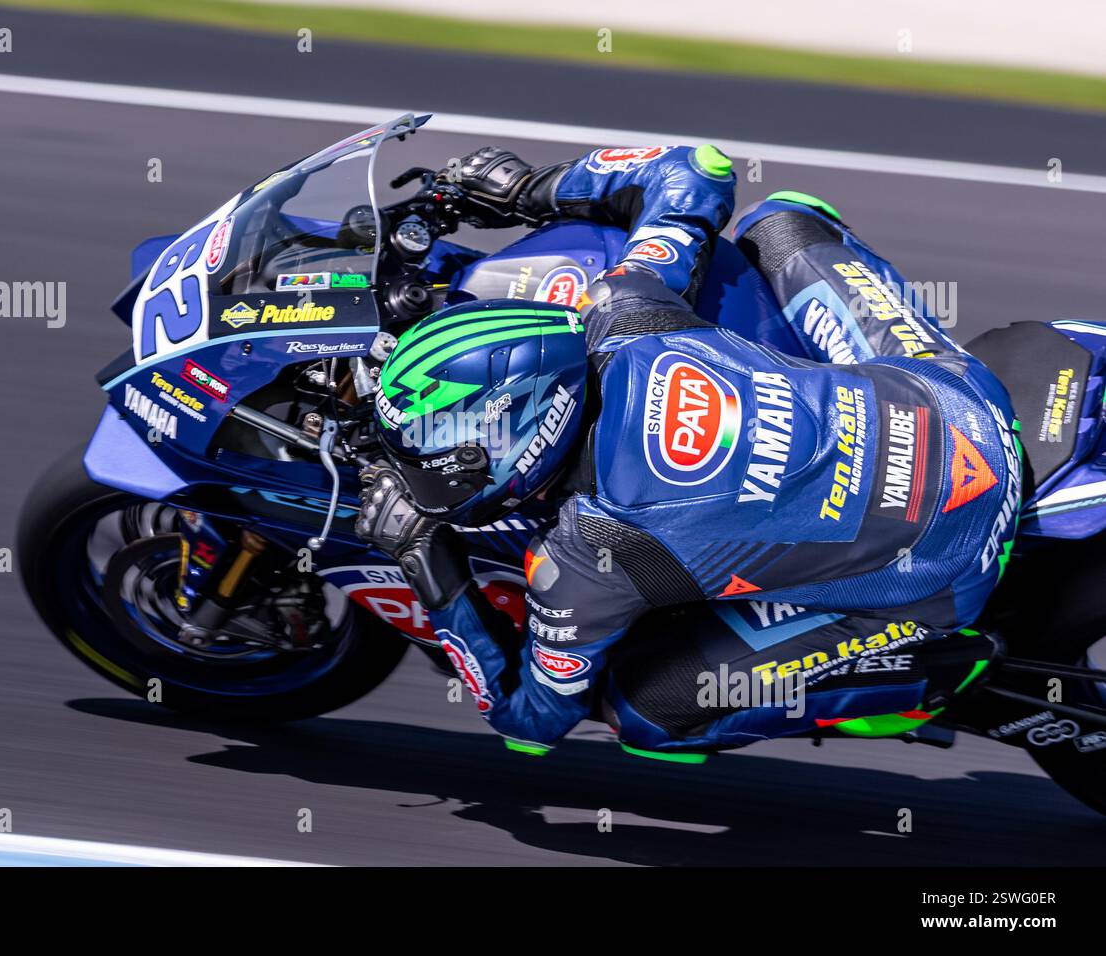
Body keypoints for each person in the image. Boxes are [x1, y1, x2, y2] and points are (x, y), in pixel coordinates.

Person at [354, 145, 1021, 757]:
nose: (415, 467)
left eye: (428, 453)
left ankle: (918, 671)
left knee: (643, 710)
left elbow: (532, 722)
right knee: (782, 222)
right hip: (963, 401)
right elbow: (697, 167)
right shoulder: (627, 311)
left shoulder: (590, 553)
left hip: (951, 566)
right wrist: (531, 188)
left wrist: (428, 566)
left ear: (522, 437)